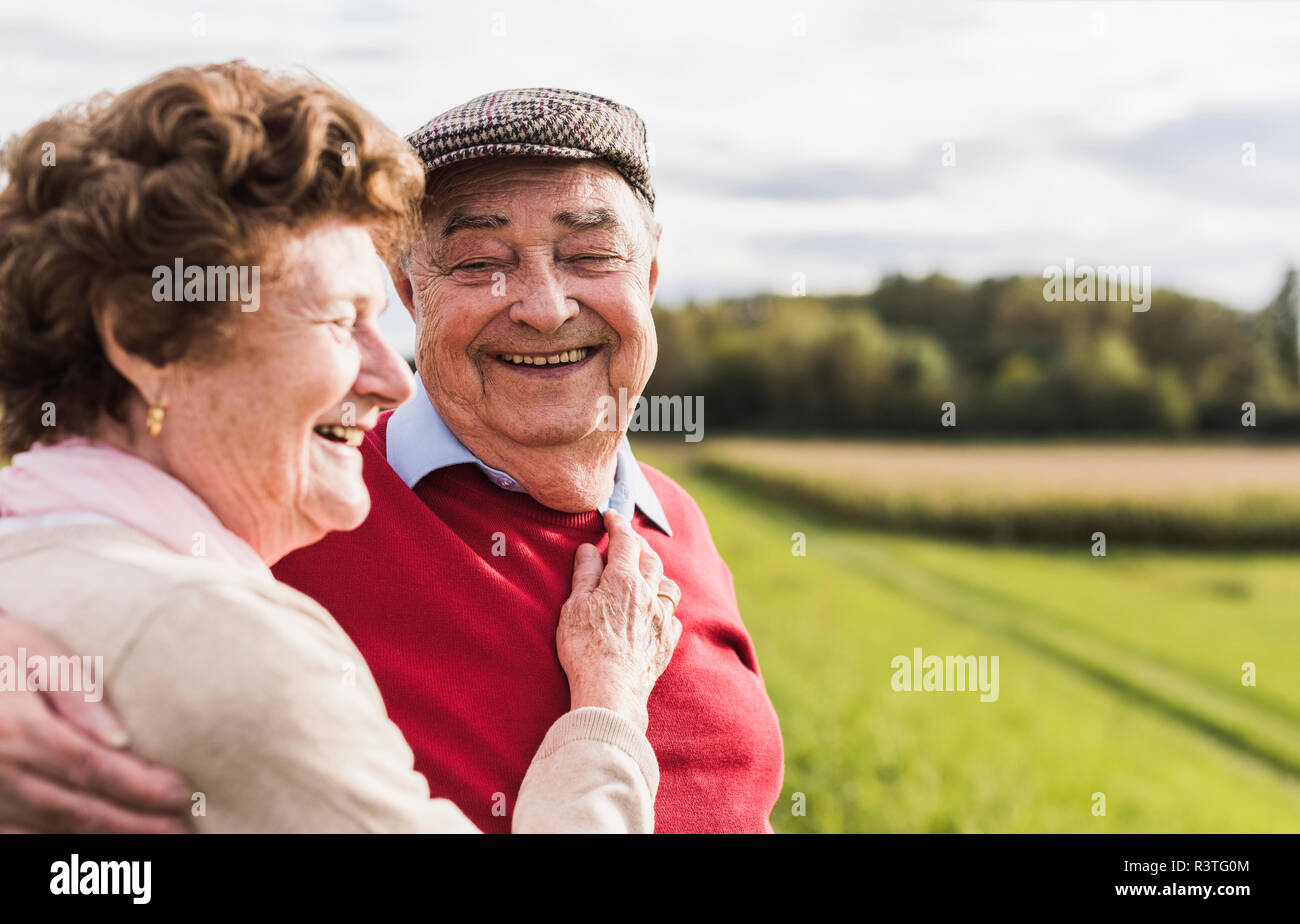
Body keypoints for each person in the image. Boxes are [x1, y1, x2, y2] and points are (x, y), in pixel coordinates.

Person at [0, 64, 680, 833]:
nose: (394, 378)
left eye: (589, 254)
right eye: (338, 320)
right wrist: (611, 708)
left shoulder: (45, 564)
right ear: (144, 343)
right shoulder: (223, 635)